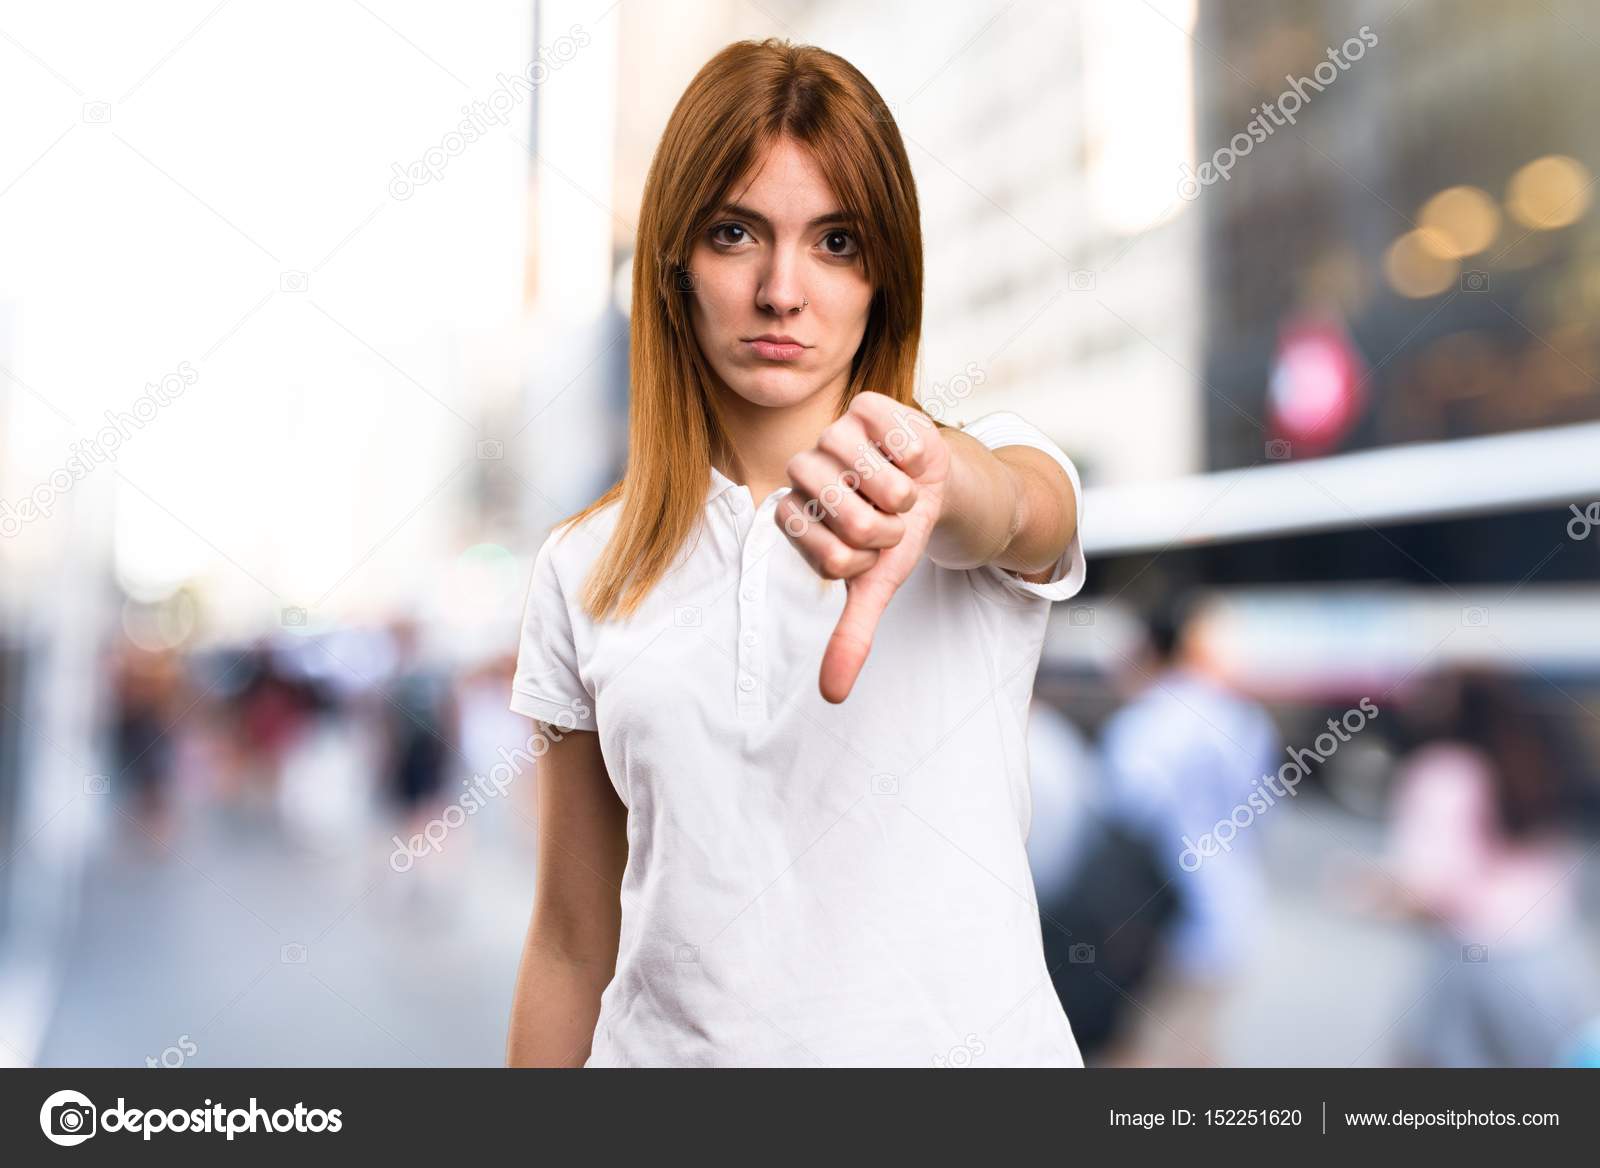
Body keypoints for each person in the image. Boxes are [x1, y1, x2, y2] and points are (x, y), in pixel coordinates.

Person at [505, 39, 1088, 1068]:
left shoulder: (967, 481)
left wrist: (948, 480)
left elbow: (1019, 511)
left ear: (883, 279)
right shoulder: (581, 564)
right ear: (675, 263)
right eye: (736, 233)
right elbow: (567, 939)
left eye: (835, 241)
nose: (782, 290)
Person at [1091, 595, 1280, 1066]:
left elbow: (1124, 820)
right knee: (1193, 1049)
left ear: (1149, 651)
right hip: (1233, 909)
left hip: (1163, 924)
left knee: (1140, 1054)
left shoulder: (1144, 723)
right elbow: (1263, 813)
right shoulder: (1244, 717)